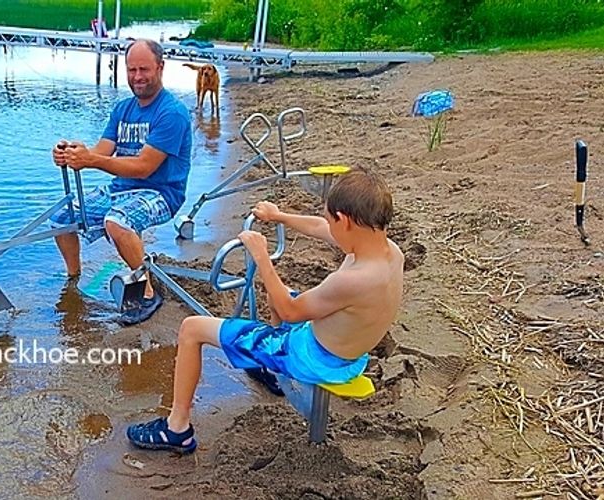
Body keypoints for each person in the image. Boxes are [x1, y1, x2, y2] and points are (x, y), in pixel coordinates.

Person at [125, 170, 404, 453]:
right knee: (284, 293)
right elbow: (322, 228)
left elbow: (290, 311)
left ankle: (177, 429)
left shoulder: (352, 280)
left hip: (316, 358)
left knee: (192, 328)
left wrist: (261, 256)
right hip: (349, 354)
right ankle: (272, 371)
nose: (328, 227)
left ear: (344, 220)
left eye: (332, 221)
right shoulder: (389, 252)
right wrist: (279, 216)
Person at [50, 38, 192, 326]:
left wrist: (93, 161)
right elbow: (102, 151)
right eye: (131, 70)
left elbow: (143, 167)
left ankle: (147, 291)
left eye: (144, 69)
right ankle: (73, 277)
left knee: (117, 222)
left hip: (162, 192)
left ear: (160, 68)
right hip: (122, 189)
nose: (137, 77)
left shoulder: (172, 113)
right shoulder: (122, 109)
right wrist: (76, 154)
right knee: (61, 217)